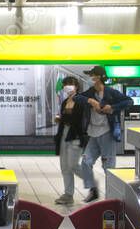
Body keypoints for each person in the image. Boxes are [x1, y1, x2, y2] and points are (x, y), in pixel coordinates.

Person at [77, 65, 133, 203]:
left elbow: (129, 101)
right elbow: (78, 98)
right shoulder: (90, 92)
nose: (91, 78)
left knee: (108, 166)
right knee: (85, 162)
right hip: (93, 133)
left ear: (100, 77)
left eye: (93, 75)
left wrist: (112, 108)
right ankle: (93, 190)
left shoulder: (111, 93)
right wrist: (90, 101)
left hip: (107, 132)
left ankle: (112, 196)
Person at [53, 76, 89, 205]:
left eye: (70, 84)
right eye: (65, 84)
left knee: (73, 165)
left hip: (76, 136)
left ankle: (91, 182)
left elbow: (79, 120)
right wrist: (60, 120)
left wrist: (61, 119)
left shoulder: (81, 101)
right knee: (65, 167)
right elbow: (64, 119)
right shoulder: (64, 102)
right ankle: (68, 194)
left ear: (76, 86)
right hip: (64, 135)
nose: (67, 86)